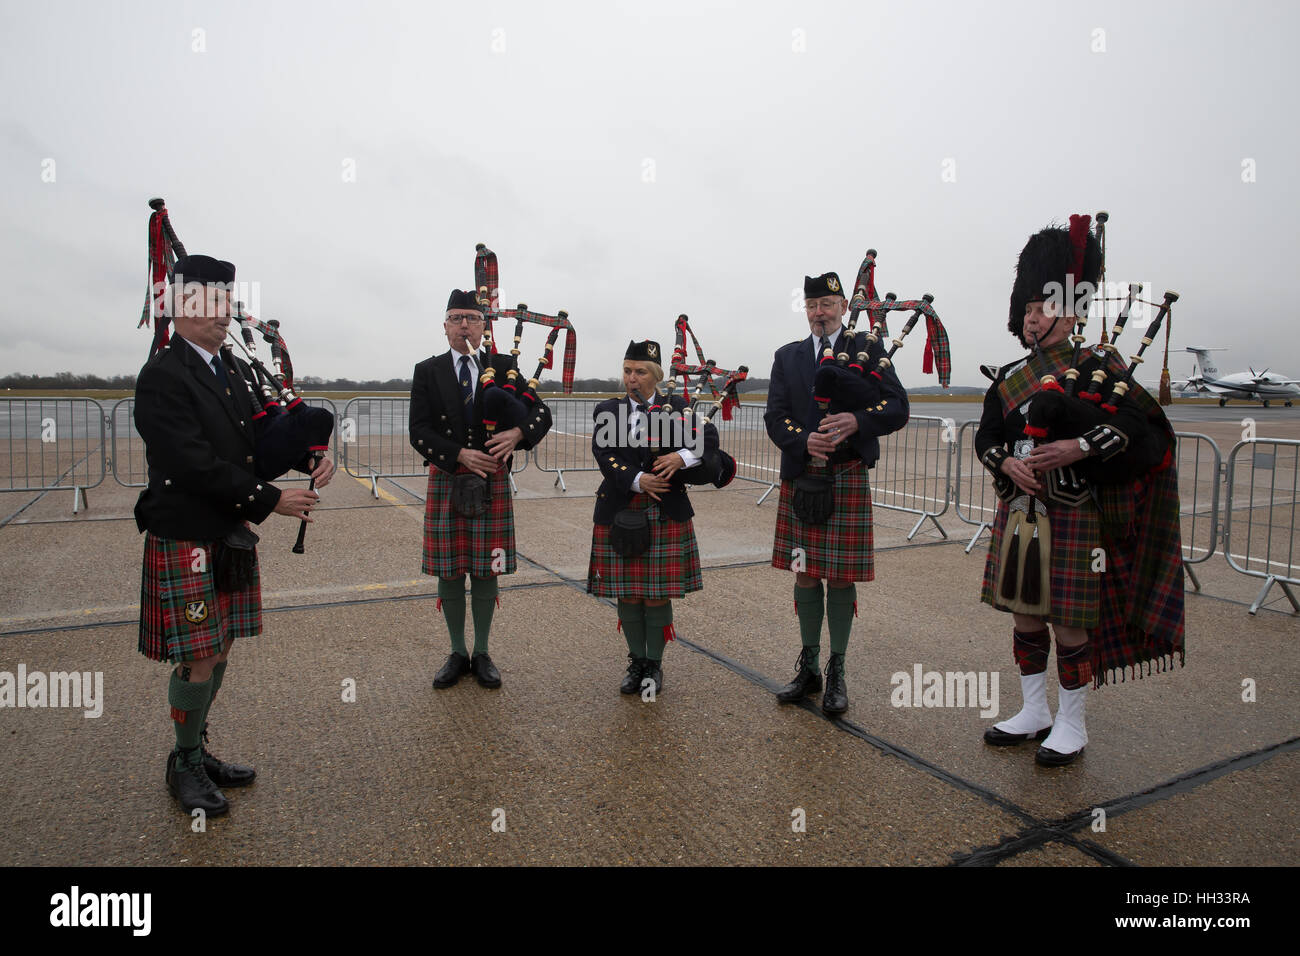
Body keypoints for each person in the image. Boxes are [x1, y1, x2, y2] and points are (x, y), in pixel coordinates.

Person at [976, 217, 1185, 766]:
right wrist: (1005, 464)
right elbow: (987, 437)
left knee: (1069, 620)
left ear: (1070, 311)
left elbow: (1143, 433)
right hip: (1020, 511)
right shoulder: (1008, 378)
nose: (1030, 317)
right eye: (1026, 309)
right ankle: (1033, 711)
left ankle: (1072, 722)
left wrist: (1080, 448)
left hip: (1075, 514)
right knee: (1024, 613)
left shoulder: (1100, 367)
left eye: (1040, 308)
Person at [134, 254, 334, 817]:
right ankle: (183, 762)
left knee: (218, 650)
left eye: (227, 302)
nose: (224, 314)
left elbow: (260, 437)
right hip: (187, 533)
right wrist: (272, 500)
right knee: (197, 656)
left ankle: (197, 747)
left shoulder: (234, 370)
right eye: (210, 303)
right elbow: (192, 464)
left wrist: (310, 452)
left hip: (228, 528)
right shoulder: (163, 377)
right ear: (177, 306)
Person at [764, 273, 909, 715]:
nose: (819, 312)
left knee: (841, 576)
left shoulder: (867, 349)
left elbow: (896, 406)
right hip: (802, 475)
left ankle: (837, 670)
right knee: (805, 573)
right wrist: (802, 440)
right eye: (812, 305)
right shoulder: (787, 357)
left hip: (845, 474)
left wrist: (858, 422)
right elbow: (776, 416)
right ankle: (809, 667)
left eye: (827, 303)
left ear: (844, 306)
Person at [409, 290, 552, 690]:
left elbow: (540, 411)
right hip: (448, 477)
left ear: (483, 325)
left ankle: (483, 651)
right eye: (456, 318)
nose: (464, 326)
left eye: (472, 318)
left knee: (488, 568)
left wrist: (517, 433)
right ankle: (457, 651)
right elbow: (417, 431)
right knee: (450, 571)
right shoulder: (428, 370)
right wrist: (459, 455)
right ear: (445, 326)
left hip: (492, 481)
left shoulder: (504, 365)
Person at [587, 340, 722, 696]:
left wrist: (681, 457)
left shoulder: (676, 406)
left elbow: (708, 438)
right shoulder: (608, 409)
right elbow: (603, 453)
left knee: (657, 595)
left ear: (656, 375)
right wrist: (637, 479)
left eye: (641, 371)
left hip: (664, 511)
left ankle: (655, 664)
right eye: (628, 371)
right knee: (629, 595)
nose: (633, 378)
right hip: (620, 507)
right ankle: (636, 661)